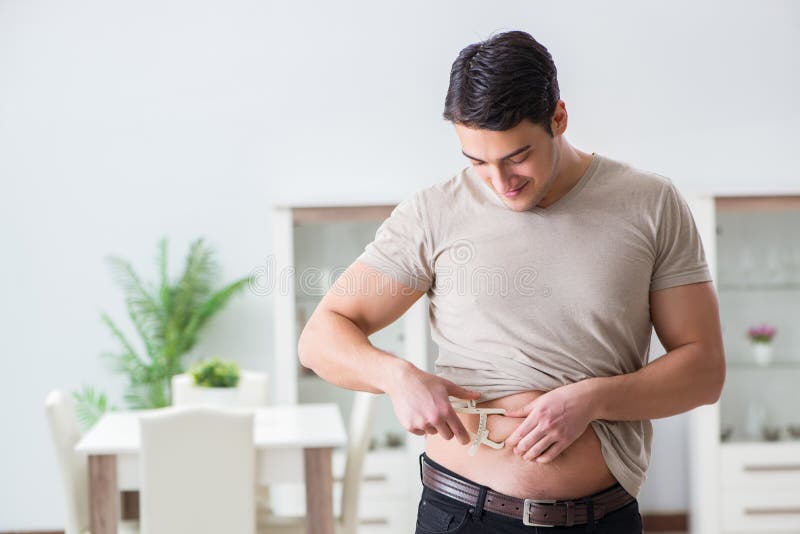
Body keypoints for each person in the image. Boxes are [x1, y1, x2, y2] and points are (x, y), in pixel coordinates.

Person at [297, 30, 725, 533]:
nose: (501, 183)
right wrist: (397, 377)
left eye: (517, 157)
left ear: (558, 118)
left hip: (601, 518)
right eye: (478, 162)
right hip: (461, 515)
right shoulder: (434, 212)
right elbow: (320, 337)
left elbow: (704, 371)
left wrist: (593, 399)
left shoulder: (651, 204)